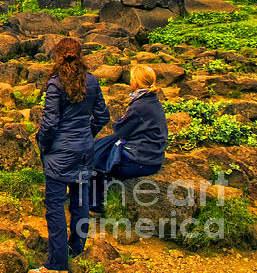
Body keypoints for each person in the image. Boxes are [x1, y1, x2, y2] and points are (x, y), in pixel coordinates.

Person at [32, 37, 110, 273]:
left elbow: (50, 123)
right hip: (84, 150)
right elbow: (102, 116)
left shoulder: (55, 84)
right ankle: (76, 249)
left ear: (58, 56)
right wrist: (87, 134)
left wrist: (43, 144)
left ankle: (57, 264)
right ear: (80, 55)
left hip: (60, 153)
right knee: (80, 201)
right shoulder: (92, 81)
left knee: (55, 206)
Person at [90, 64, 168, 214]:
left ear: (135, 83)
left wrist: (119, 120)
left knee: (96, 157)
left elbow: (120, 128)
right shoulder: (152, 100)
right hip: (152, 156)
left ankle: (94, 205)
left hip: (141, 161)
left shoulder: (140, 105)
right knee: (101, 147)